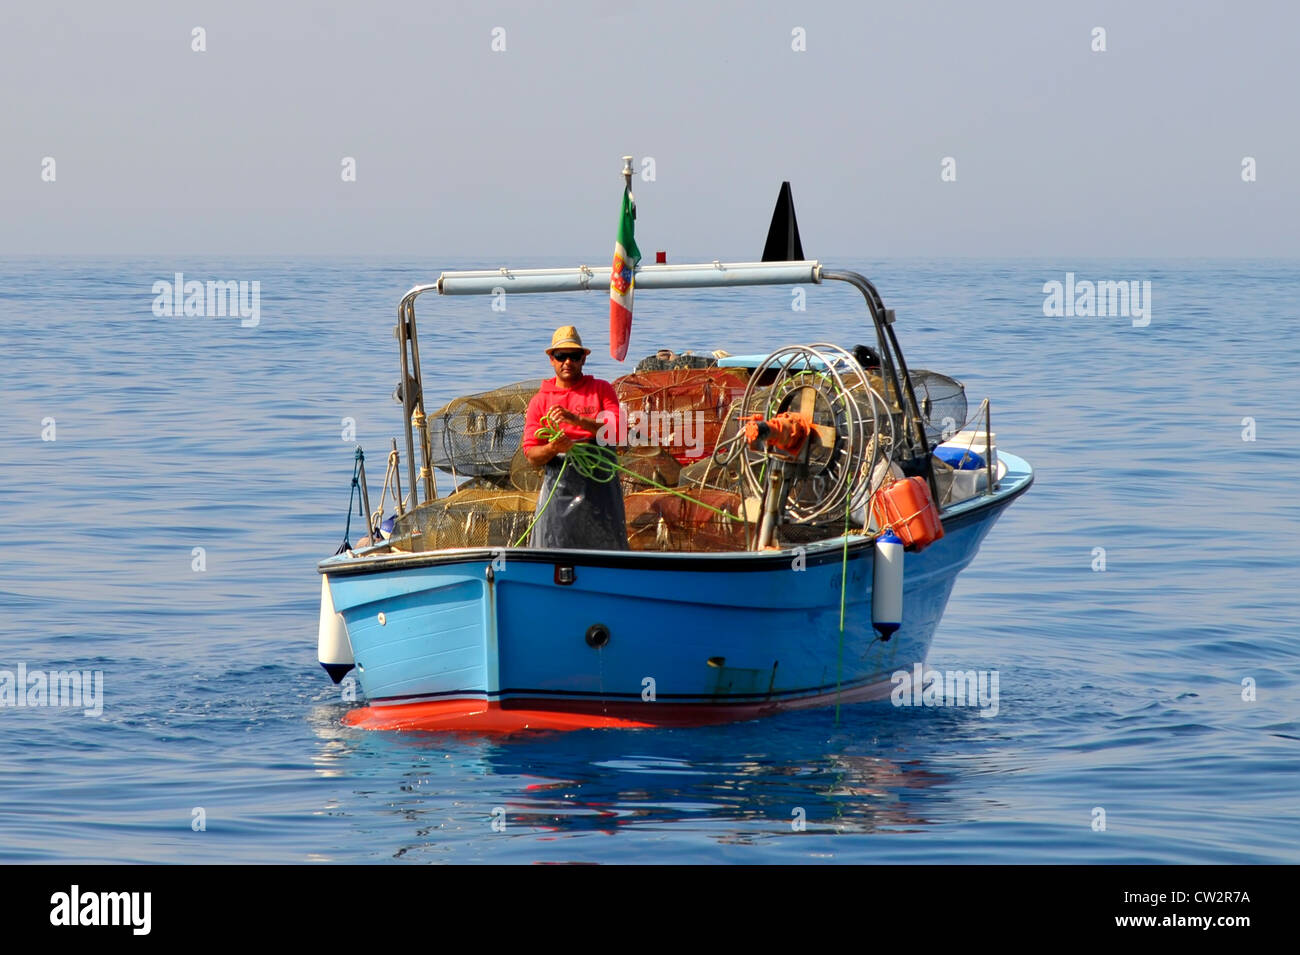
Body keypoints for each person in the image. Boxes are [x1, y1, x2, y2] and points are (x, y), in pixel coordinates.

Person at [521, 326, 628, 549]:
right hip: (560, 489)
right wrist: (553, 448)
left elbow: (616, 431)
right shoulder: (539, 402)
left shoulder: (601, 389)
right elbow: (532, 455)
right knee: (556, 546)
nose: (567, 362)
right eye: (561, 356)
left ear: (583, 360)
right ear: (552, 359)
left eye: (574, 356)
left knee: (607, 546)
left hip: (601, 486)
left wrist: (576, 420)